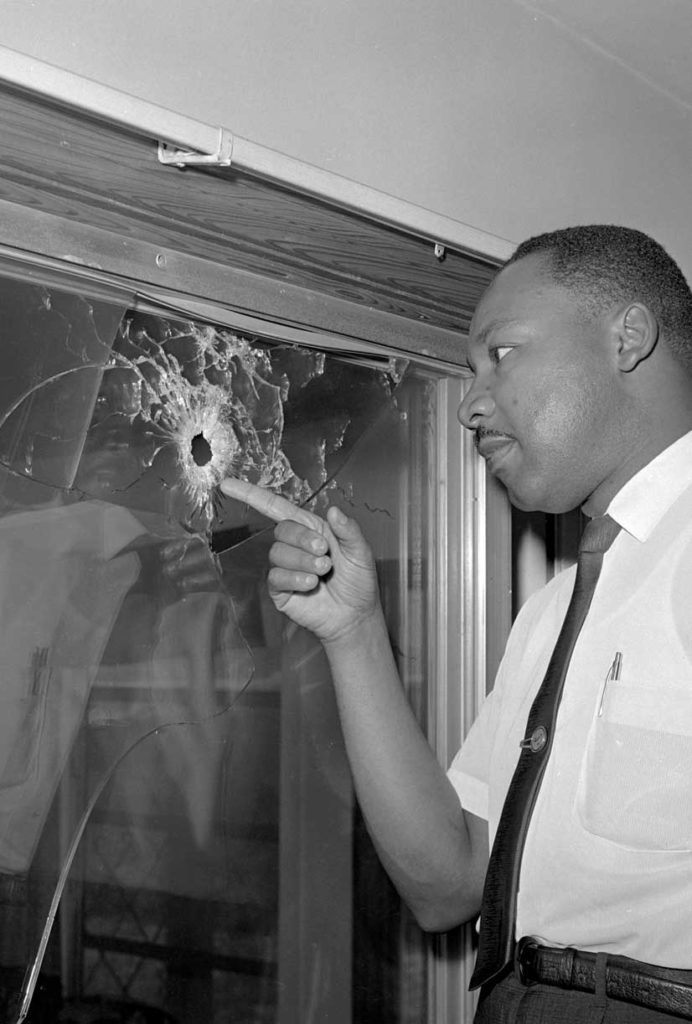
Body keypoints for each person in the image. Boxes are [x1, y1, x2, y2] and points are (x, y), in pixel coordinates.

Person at [221, 224, 692, 1022]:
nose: (472, 404)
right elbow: (447, 884)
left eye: (501, 354)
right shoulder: (551, 616)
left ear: (628, 338)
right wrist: (353, 632)